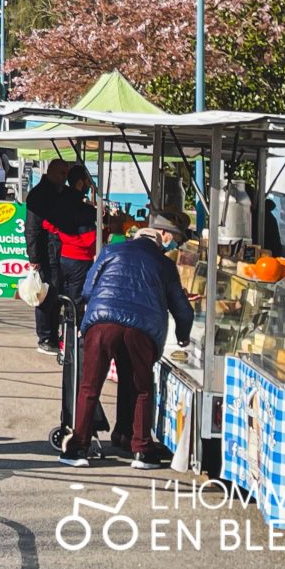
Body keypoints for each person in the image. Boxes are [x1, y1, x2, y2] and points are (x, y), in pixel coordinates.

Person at [59, 216, 193, 469]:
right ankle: (141, 450)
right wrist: (183, 335)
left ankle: (77, 449)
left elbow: (88, 289)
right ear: (161, 237)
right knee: (140, 387)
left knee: (89, 386)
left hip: (101, 322)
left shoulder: (111, 250)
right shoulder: (164, 264)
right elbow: (181, 308)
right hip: (141, 328)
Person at [25, 159, 72, 355]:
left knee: (57, 296)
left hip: (61, 252)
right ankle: (45, 337)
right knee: (46, 295)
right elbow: (32, 229)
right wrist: (34, 257)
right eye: (61, 173)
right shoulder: (39, 194)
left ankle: (53, 335)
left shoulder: (61, 192)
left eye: (66, 174)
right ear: (51, 172)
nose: (64, 177)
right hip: (47, 253)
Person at [46, 164, 99, 309]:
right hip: (80, 260)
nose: (89, 186)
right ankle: (72, 329)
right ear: (80, 183)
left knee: (65, 297)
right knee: (76, 301)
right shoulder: (83, 209)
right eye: (88, 182)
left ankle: (66, 326)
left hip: (63, 257)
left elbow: (48, 224)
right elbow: (90, 239)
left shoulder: (60, 201)